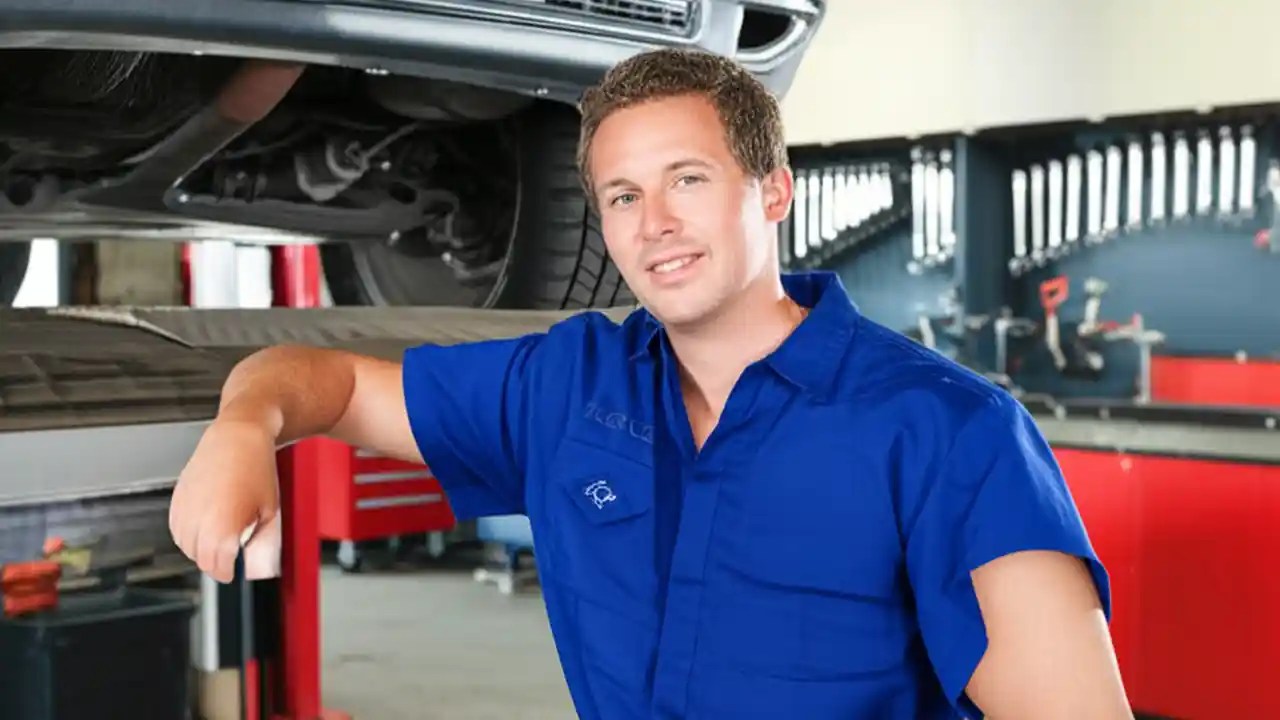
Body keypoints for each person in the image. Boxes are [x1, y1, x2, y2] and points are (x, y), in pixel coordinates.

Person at [169, 48, 1133, 719]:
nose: (654, 223)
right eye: (624, 196)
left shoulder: (950, 434)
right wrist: (245, 426)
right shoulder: (566, 382)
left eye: (688, 180)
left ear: (772, 191)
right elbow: (322, 378)